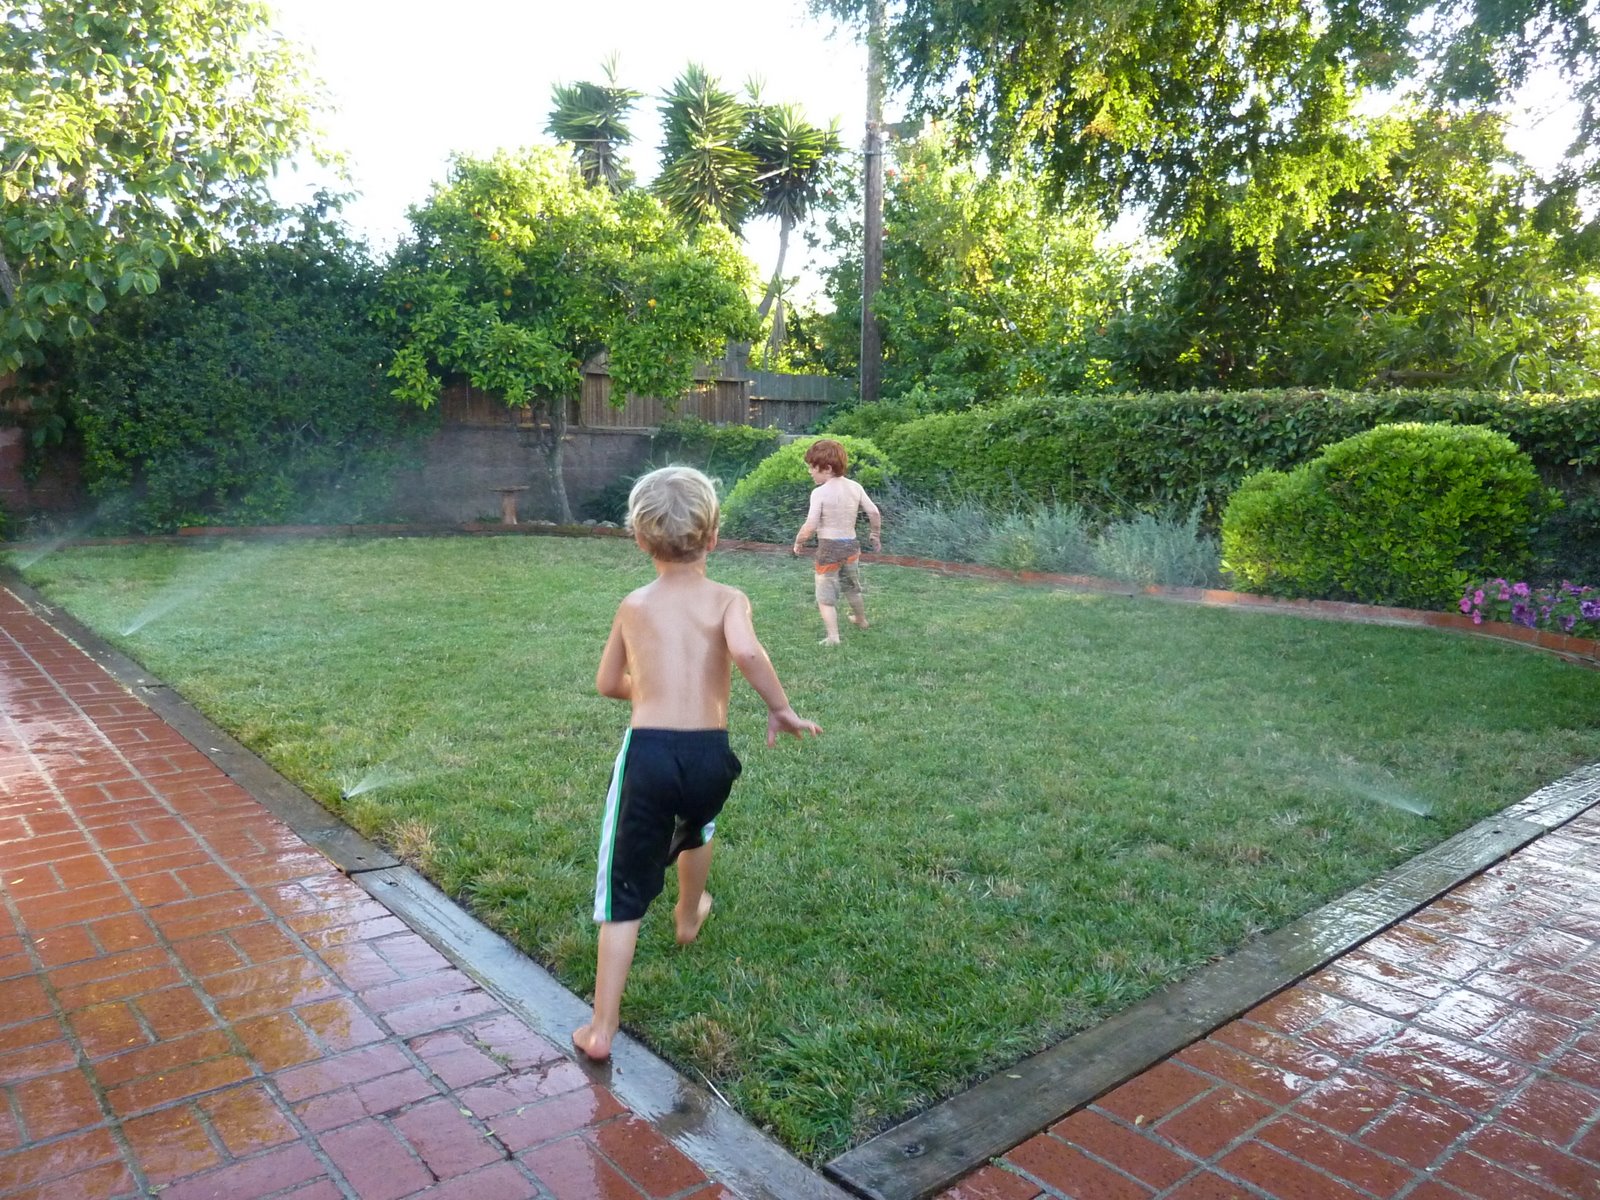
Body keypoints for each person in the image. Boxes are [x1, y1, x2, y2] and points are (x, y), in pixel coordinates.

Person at [574, 465, 822, 1063]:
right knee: (697, 824)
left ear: (640, 540)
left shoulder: (633, 605)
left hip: (651, 753)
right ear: (714, 536)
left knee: (625, 885)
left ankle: (601, 1028)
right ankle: (688, 915)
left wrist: (648, 689)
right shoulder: (729, 599)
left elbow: (607, 683)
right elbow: (746, 650)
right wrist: (780, 708)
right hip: (711, 756)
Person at [791, 438, 883, 645]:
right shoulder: (855, 487)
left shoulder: (820, 493)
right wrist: (875, 534)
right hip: (851, 547)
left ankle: (833, 637)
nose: (809, 472)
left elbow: (810, 525)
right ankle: (861, 619)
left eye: (812, 467)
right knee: (851, 587)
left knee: (825, 597)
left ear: (827, 468)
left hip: (829, 549)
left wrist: (798, 542)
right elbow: (874, 512)